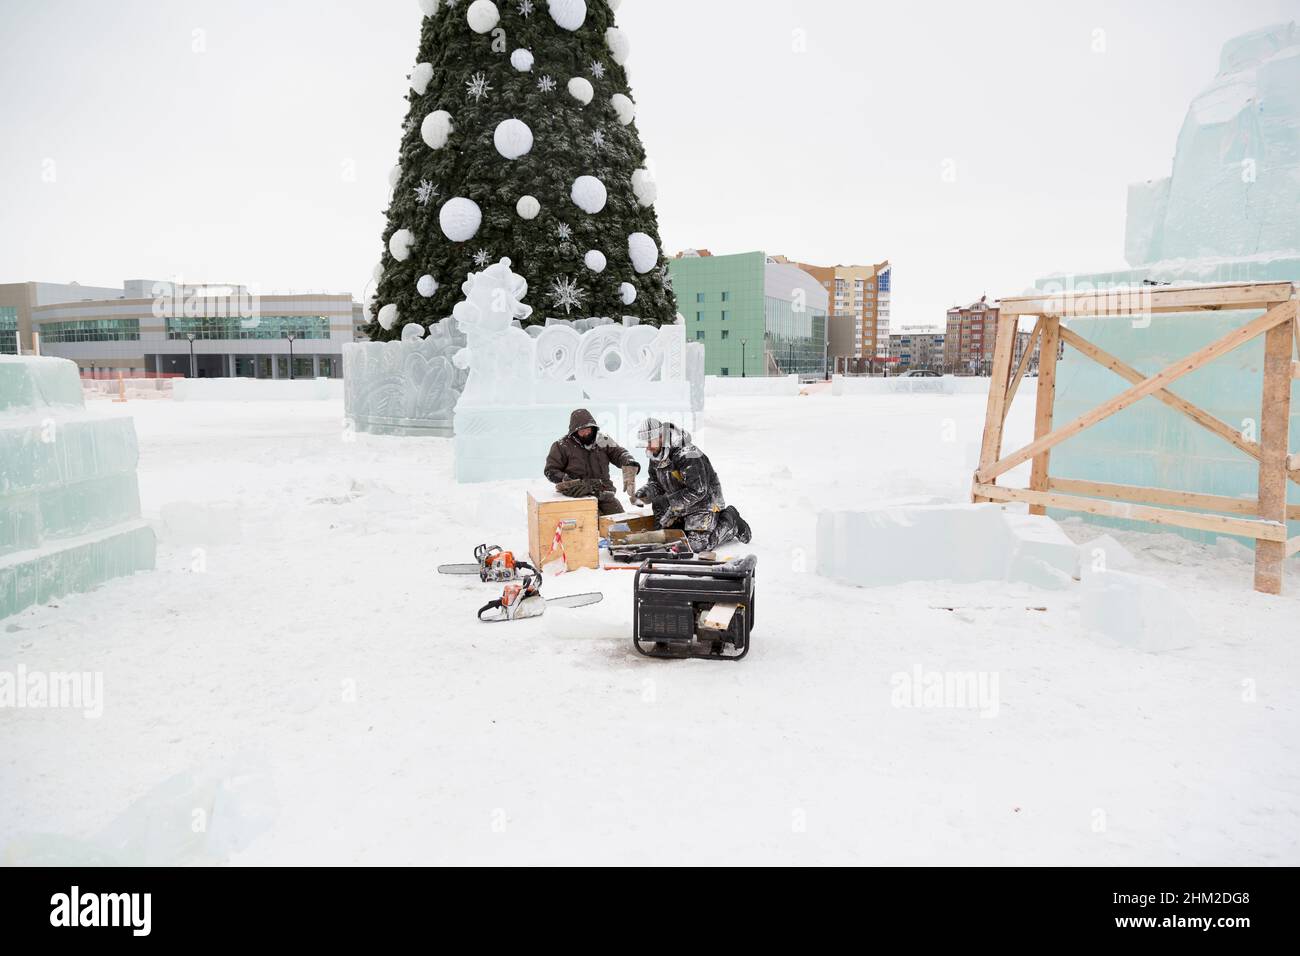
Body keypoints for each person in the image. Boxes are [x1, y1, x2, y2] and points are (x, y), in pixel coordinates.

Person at [633, 418, 751, 553]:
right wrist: (647, 491)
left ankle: (730, 521)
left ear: (661, 436)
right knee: (668, 540)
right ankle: (685, 523)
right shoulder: (656, 456)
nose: (647, 446)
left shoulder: (688, 454)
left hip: (705, 502)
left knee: (696, 546)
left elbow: (698, 490)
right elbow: (656, 482)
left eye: (650, 441)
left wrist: (672, 505)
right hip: (679, 504)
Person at [543, 408, 640, 516]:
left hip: (604, 493)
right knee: (593, 527)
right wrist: (567, 480)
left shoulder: (603, 440)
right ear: (574, 431)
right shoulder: (562, 446)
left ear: (593, 428)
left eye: (588, 429)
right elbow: (550, 470)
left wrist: (629, 462)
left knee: (620, 524)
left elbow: (619, 453)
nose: (585, 433)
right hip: (579, 496)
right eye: (581, 430)